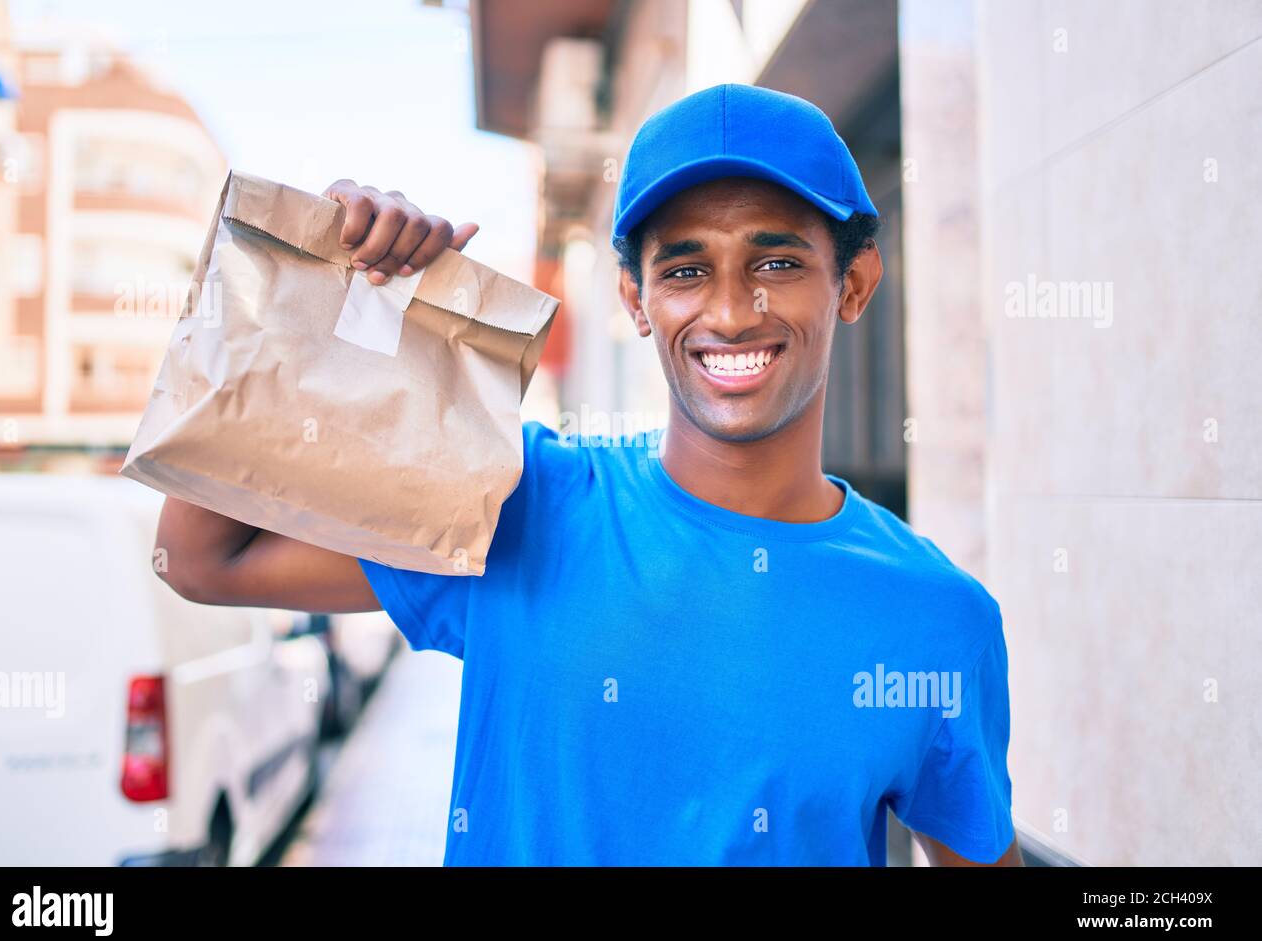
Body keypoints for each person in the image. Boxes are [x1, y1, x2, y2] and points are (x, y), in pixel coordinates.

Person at [157, 83, 1021, 867]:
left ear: (855, 283)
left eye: (778, 262)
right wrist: (302, 287)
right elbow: (204, 559)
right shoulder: (515, 504)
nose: (729, 310)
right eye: (686, 270)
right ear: (637, 301)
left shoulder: (939, 619)